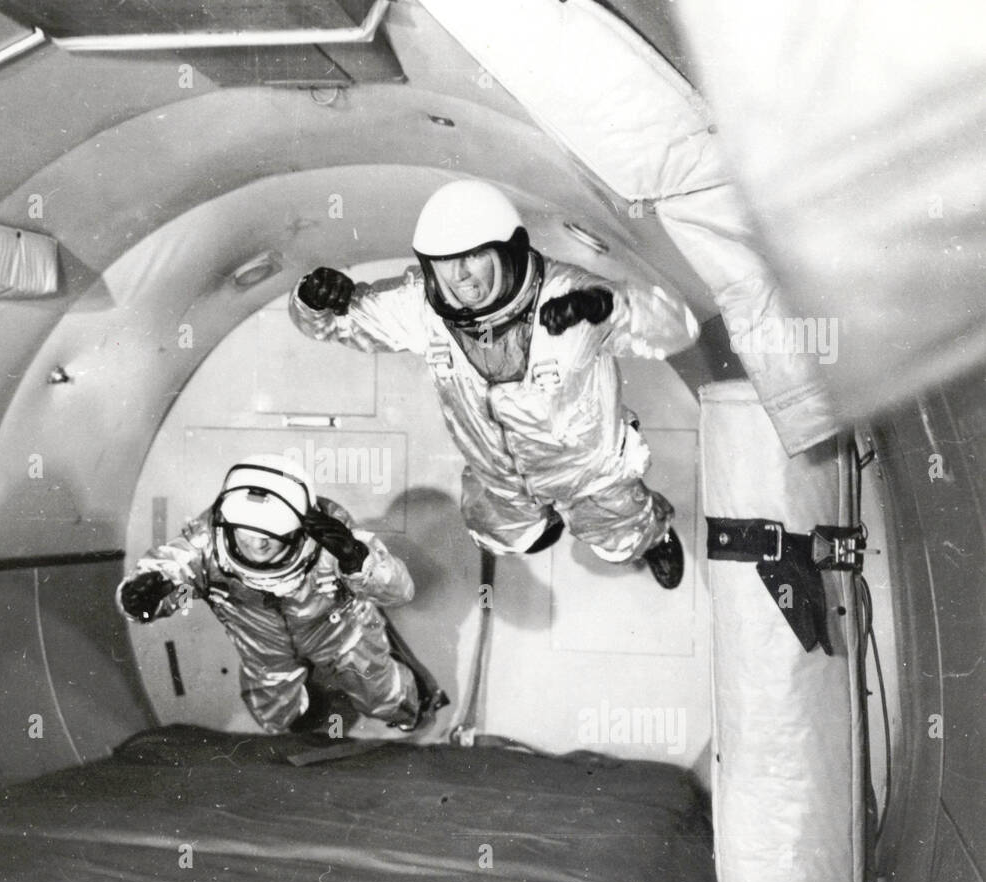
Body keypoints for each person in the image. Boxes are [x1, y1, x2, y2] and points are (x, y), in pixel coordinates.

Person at [289, 180, 697, 588]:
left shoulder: (572, 296)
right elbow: (337, 323)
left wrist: (613, 308)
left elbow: (678, 329)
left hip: (588, 469)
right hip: (496, 473)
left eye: (475, 257)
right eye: (444, 261)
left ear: (511, 251)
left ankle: (651, 538)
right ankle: (539, 526)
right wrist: (312, 300)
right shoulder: (423, 307)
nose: (459, 275)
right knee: (503, 534)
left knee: (620, 531)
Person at [116, 454, 445, 734]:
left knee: (383, 696)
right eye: (246, 535)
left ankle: (416, 709)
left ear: (295, 531)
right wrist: (144, 596)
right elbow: (175, 578)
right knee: (273, 714)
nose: (256, 546)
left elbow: (401, 590)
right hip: (260, 638)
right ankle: (312, 725)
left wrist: (358, 561)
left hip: (337, 631)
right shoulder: (206, 548)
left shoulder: (329, 540)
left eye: (268, 537)